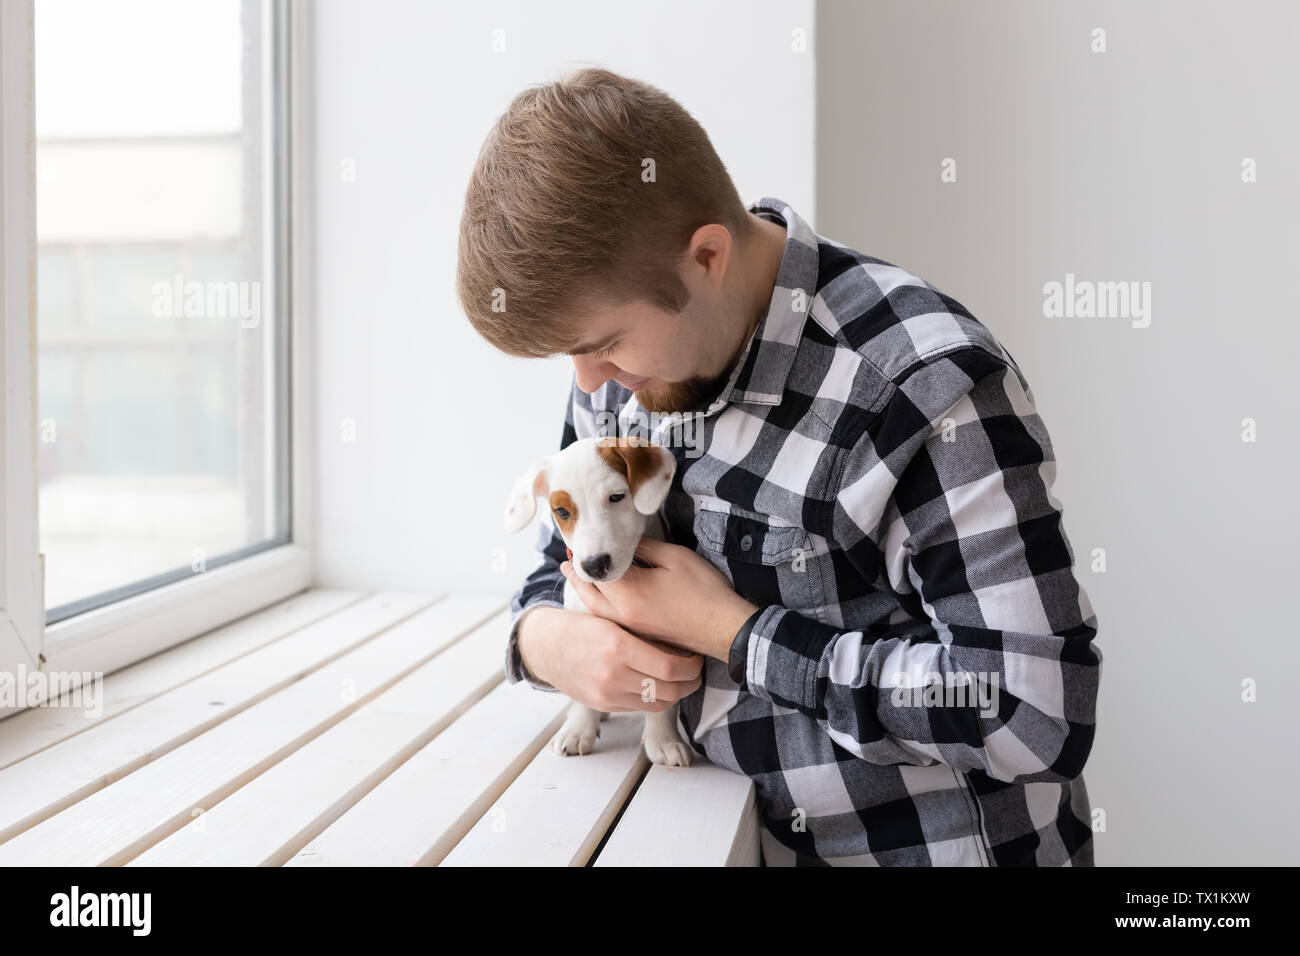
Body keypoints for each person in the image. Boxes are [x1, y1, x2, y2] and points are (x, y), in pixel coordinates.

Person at [457, 67, 1102, 866]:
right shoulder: (629, 370)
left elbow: (1036, 714)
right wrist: (543, 640)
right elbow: (555, 568)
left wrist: (734, 633)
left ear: (706, 257)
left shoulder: (925, 386)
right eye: (571, 353)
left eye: (603, 344)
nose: (587, 384)